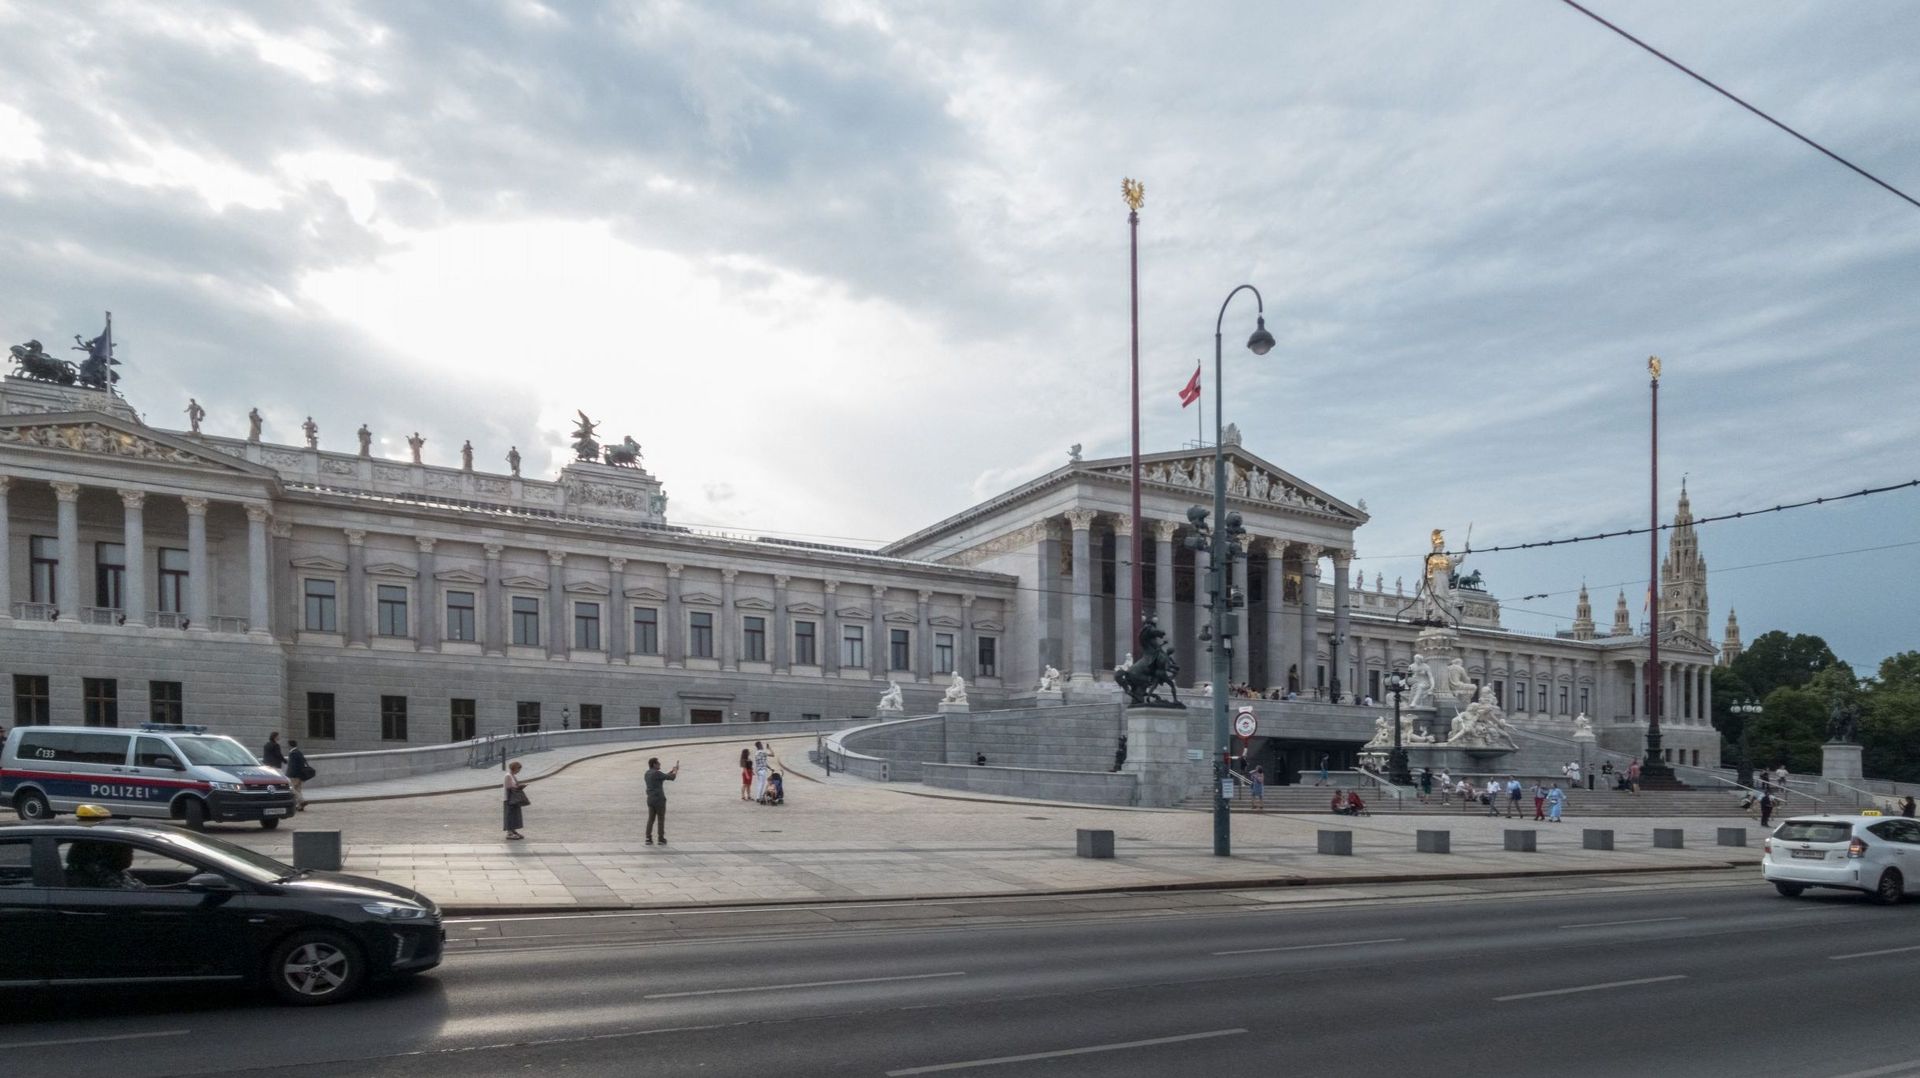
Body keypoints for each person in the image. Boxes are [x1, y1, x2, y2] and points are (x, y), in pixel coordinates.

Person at [65, 841, 144, 889]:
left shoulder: (117, 871)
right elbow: (126, 894)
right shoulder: (101, 873)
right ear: (115, 854)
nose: (132, 856)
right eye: (129, 852)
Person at [644, 756, 679, 845]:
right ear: (654, 764)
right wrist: (675, 771)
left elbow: (663, 777)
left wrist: (671, 771)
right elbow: (671, 778)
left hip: (650, 799)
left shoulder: (647, 773)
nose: (660, 764)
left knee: (650, 819)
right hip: (659, 799)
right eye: (658, 763)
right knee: (660, 819)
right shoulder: (657, 773)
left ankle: (648, 838)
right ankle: (661, 839)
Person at [286, 739, 314, 810]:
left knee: (292, 789)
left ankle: (302, 801)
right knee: (298, 790)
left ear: (290, 745)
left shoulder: (293, 753)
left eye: (288, 745)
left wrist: (289, 775)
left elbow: (292, 766)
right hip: (301, 775)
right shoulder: (299, 752)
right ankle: (300, 807)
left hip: (294, 776)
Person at [502, 761, 527, 840]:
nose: (519, 771)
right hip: (509, 798)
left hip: (514, 798)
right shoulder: (508, 776)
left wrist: (519, 786)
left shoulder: (512, 776)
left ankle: (513, 830)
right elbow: (508, 787)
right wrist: (518, 787)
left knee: (515, 815)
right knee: (510, 815)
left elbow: (514, 785)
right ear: (514, 768)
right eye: (518, 769)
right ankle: (509, 833)